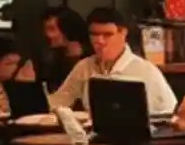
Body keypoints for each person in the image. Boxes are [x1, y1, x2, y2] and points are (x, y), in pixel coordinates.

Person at [49, 7, 178, 115]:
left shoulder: (146, 71)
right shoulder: (84, 67)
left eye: (107, 34)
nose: (99, 41)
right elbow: (57, 102)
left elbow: (170, 111)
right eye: (94, 34)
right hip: (93, 139)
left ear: (123, 33)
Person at [38, 6, 92, 92]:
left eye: (52, 29)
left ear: (68, 29)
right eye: (45, 29)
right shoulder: (51, 58)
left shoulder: (92, 60)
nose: (47, 34)